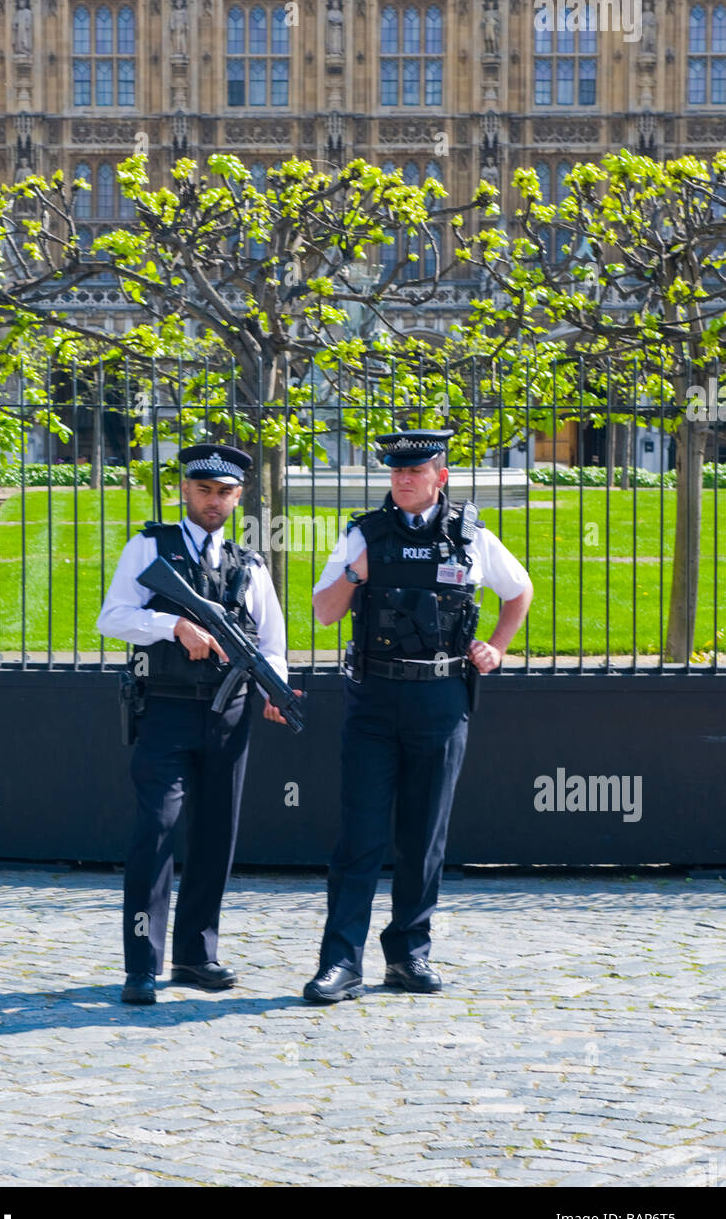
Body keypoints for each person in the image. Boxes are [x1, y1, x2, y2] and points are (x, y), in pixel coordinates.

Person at [304, 428, 533, 1004]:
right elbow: (325, 613)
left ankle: (409, 954)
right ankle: (341, 963)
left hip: (440, 697)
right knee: (359, 837)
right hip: (374, 701)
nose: (403, 479)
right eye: (396, 470)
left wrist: (498, 647)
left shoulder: (471, 536)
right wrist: (356, 572)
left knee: (424, 835)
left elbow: (520, 590)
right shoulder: (363, 532)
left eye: (416, 469)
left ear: (441, 476)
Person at [97, 443, 291, 1005]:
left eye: (225, 492)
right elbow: (113, 617)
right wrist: (172, 624)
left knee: (216, 835)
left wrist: (276, 689)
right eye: (204, 490)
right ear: (185, 489)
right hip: (166, 706)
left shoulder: (249, 564)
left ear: (239, 496)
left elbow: (271, 644)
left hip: (228, 714)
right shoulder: (148, 546)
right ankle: (142, 963)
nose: (214, 501)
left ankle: (196, 955)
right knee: (156, 831)